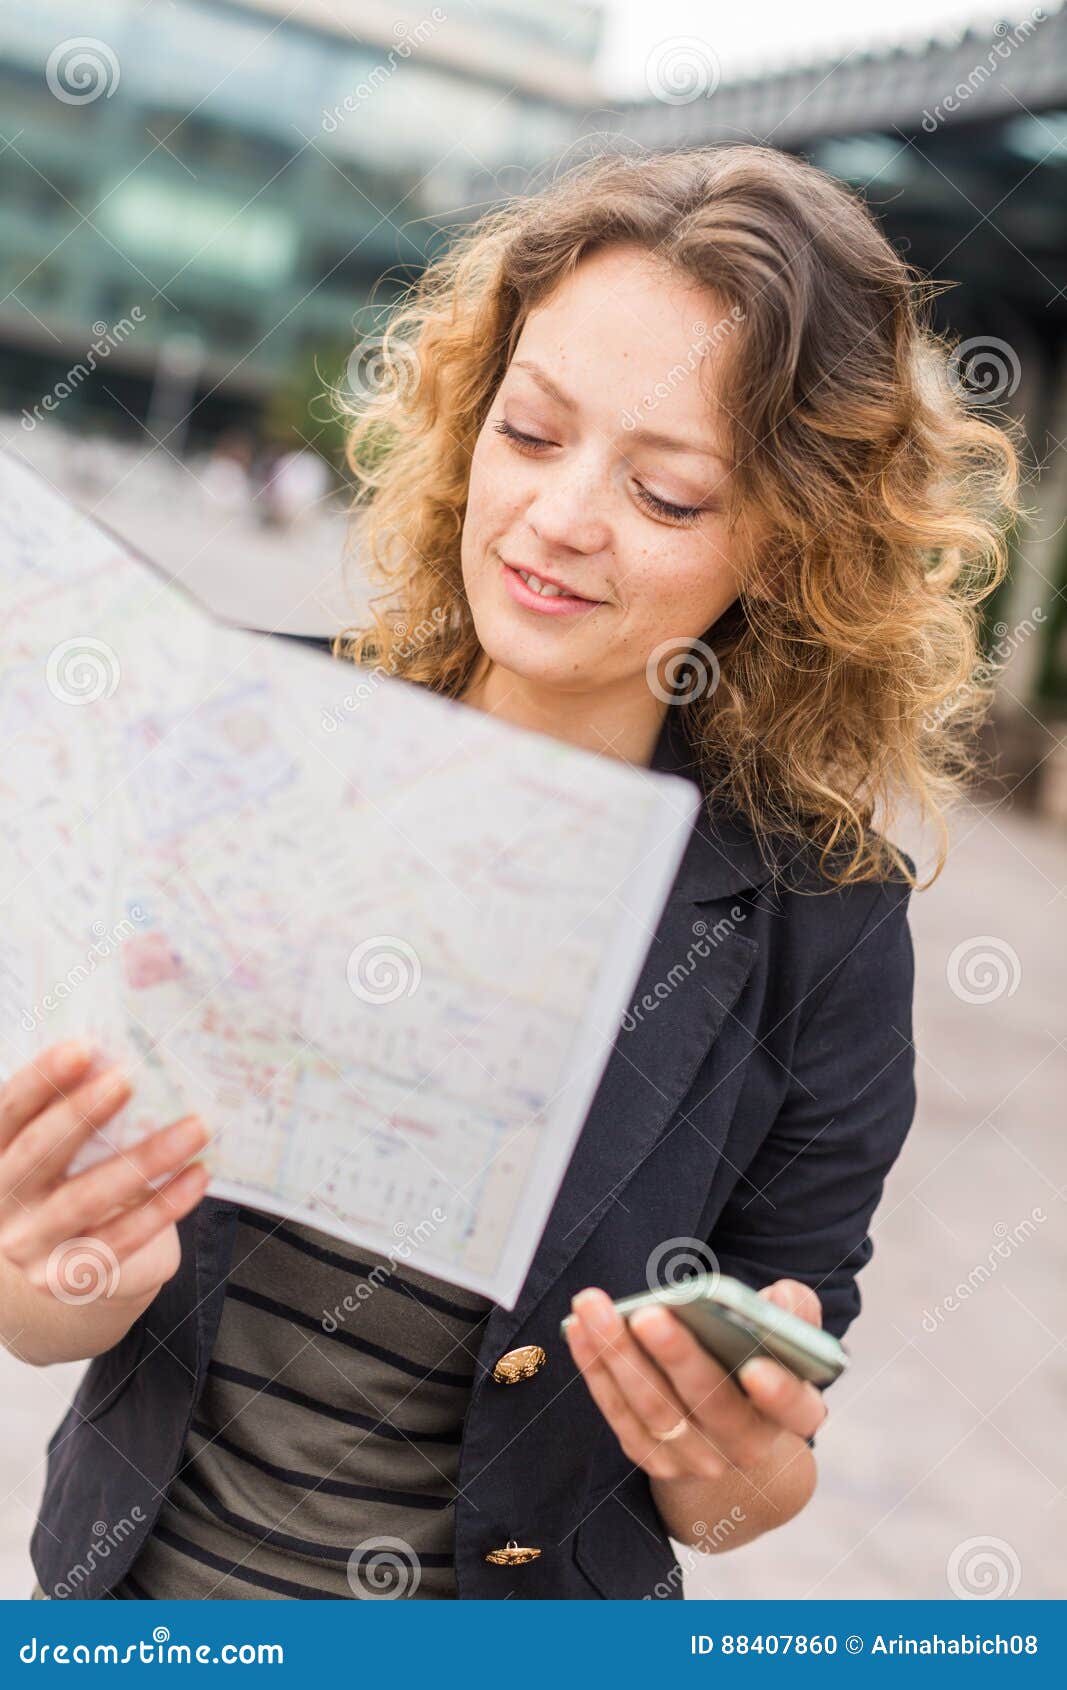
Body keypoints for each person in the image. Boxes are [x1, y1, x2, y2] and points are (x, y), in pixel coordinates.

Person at [6, 145, 1017, 1600]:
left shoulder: (826, 925)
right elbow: (51, 1320)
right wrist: (45, 1263)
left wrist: (725, 1448)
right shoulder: (241, 746)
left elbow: (737, 1500)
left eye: (667, 494)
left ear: (789, 544)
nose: (559, 519)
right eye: (531, 434)